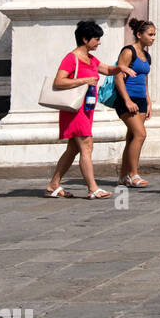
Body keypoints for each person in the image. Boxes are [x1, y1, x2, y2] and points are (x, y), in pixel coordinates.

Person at [45, 21, 133, 200]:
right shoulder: (72, 58)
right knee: (87, 145)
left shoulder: (91, 58)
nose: (99, 42)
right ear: (85, 39)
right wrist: (83, 81)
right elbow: (59, 81)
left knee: (73, 149)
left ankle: (53, 184)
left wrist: (120, 68)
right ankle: (93, 188)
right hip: (74, 110)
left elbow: (106, 69)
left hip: (86, 109)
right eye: (96, 39)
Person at [115, 17, 155, 188]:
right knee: (140, 134)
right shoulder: (128, 51)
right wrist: (127, 100)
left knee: (132, 137)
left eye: (154, 35)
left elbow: (143, 79)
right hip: (127, 99)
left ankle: (124, 176)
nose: (153, 38)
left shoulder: (146, 55)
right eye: (150, 34)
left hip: (141, 100)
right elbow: (118, 76)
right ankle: (133, 174)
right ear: (139, 34)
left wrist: (149, 101)